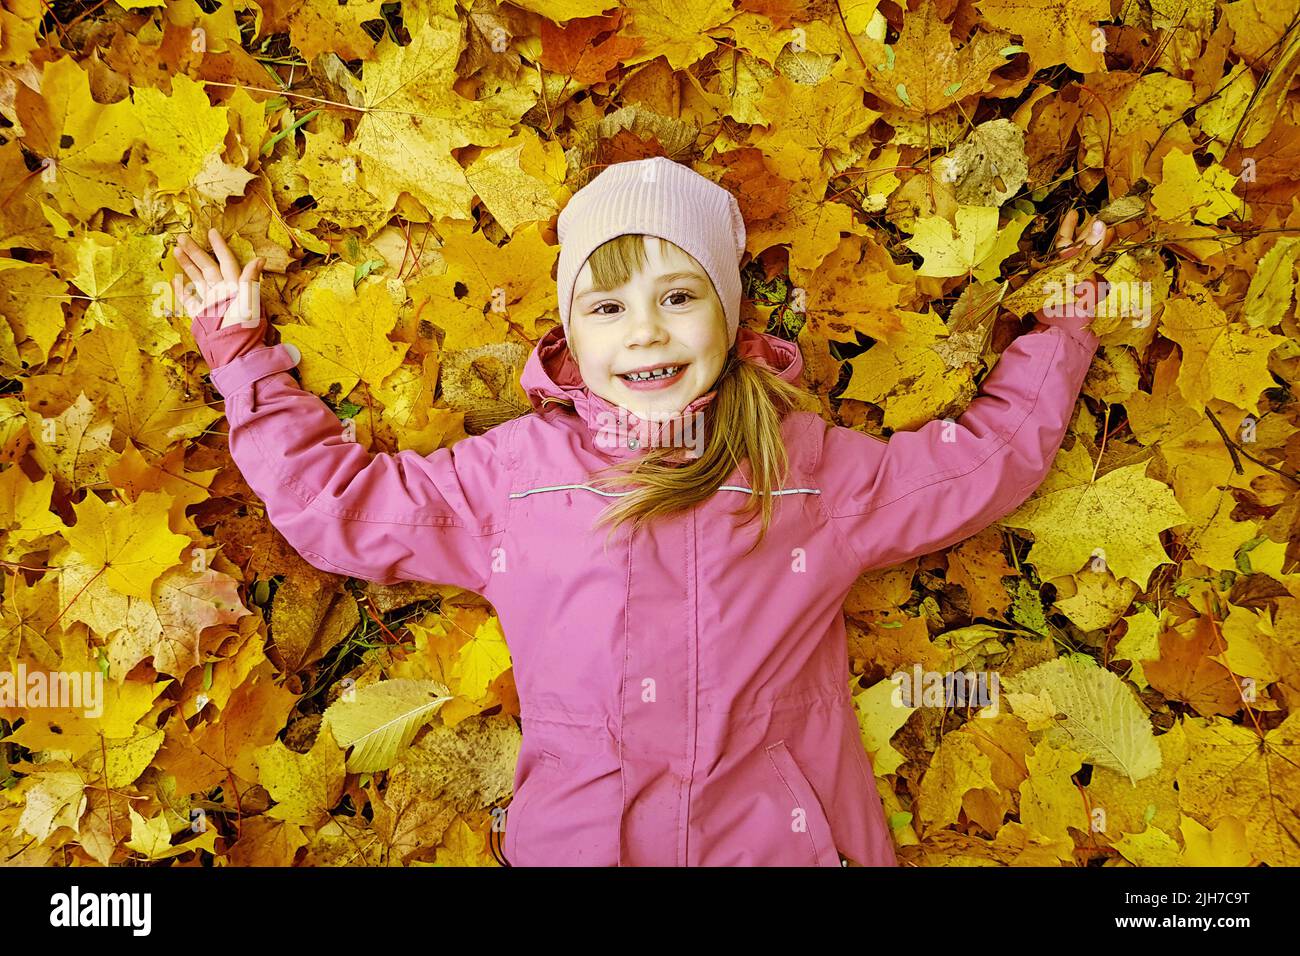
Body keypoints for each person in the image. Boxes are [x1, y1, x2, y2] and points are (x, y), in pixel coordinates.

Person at [177, 156, 1113, 867]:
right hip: (586, 842)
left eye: (678, 297)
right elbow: (335, 505)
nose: (647, 331)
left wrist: (1064, 323)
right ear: (569, 336)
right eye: (608, 307)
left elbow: (985, 465)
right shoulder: (514, 480)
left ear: (730, 316)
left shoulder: (805, 471)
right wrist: (241, 356)